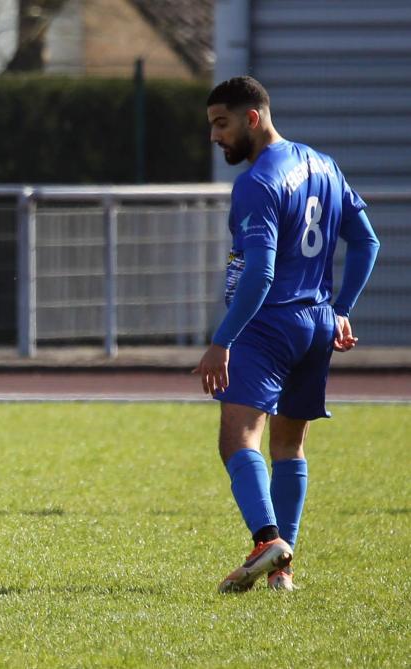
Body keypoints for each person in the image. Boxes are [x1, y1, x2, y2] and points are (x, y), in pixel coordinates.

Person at [195, 76, 380, 593]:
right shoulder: (324, 165)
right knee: (290, 447)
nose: (215, 136)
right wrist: (340, 308)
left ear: (252, 118)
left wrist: (223, 340)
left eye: (222, 123)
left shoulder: (257, 183)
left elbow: (259, 274)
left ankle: (267, 540)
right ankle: (284, 572)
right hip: (316, 324)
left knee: (238, 438)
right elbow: (367, 242)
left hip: (266, 324)